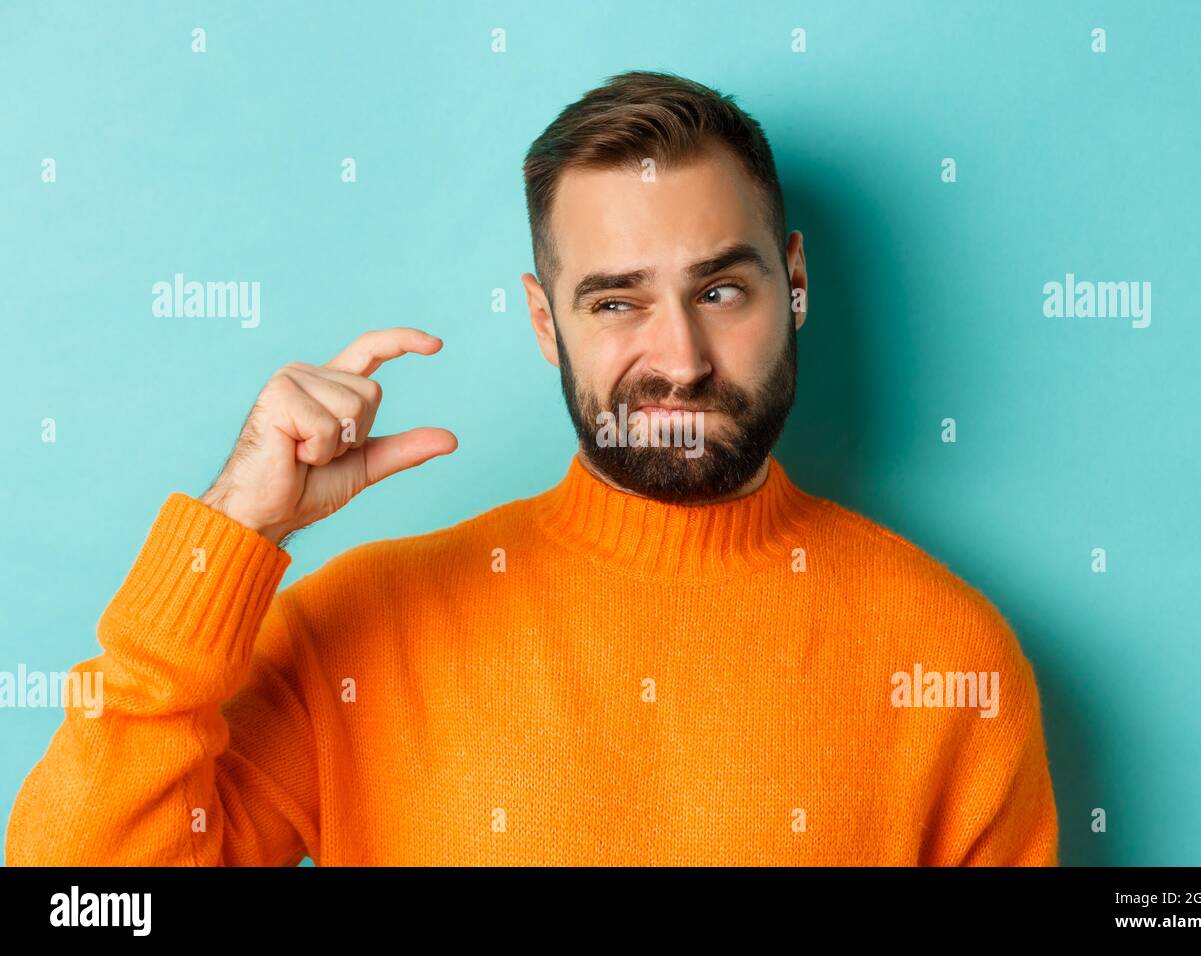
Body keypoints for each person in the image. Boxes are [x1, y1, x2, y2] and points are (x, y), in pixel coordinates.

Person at [6, 70, 1058, 865]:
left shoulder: (946, 654)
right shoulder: (359, 633)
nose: (679, 360)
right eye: (615, 301)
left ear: (792, 283)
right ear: (544, 323)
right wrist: (231, 533)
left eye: (723, 290)